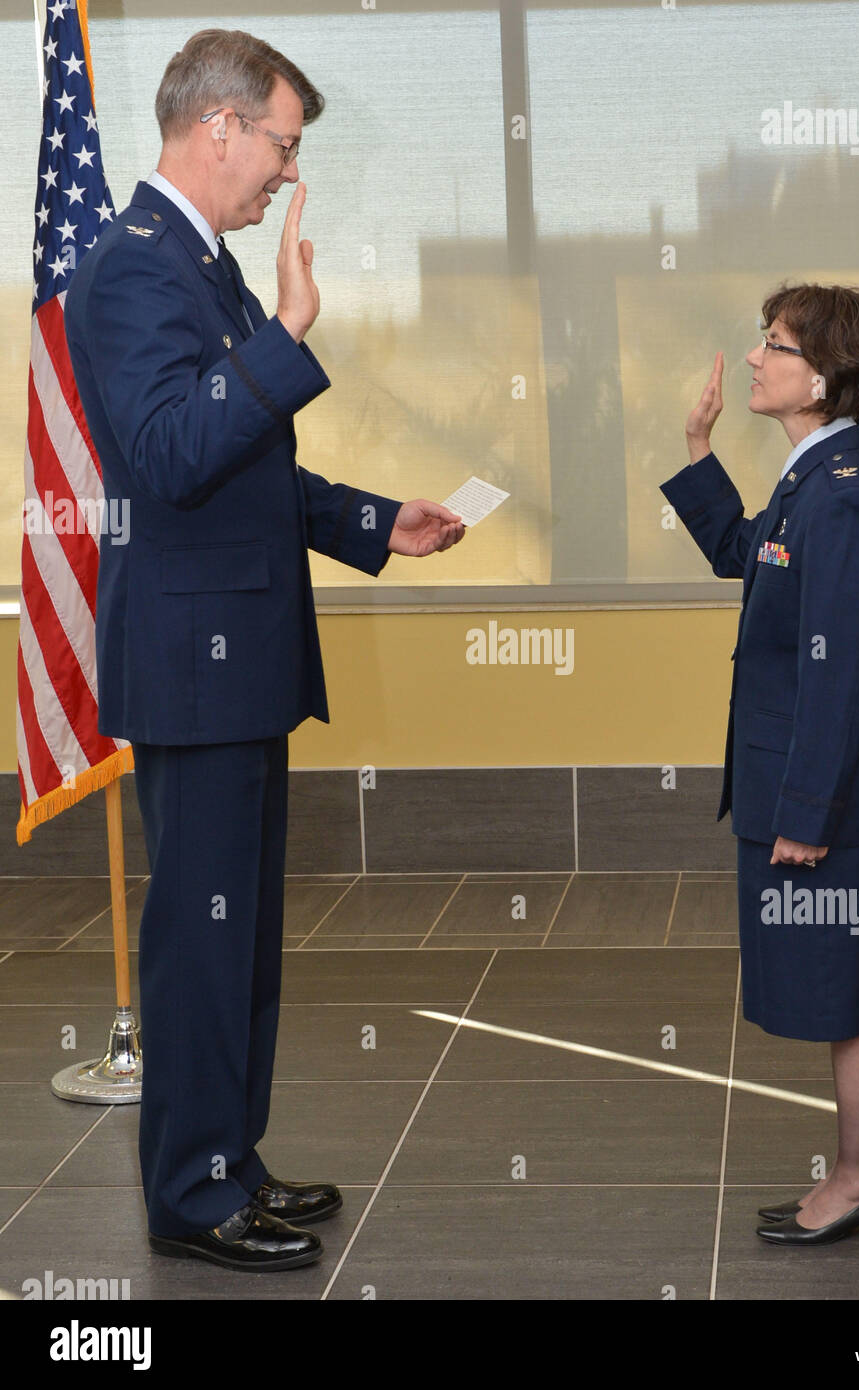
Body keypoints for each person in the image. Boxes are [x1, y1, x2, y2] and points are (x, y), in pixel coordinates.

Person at [64, 29, 465, 1271]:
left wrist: (366, 521)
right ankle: (189, 1194)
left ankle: (229, 1158)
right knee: (199, 935)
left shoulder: (200, 264)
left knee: (237, 933)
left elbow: (248, 469)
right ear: (220, 124)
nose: (287, 173)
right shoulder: (131, 271)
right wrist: (285, 332)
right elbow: (178, 453)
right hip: (196, 664)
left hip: (237, 655)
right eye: (284, 145)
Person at [660, 283, 859, 1247]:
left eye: (773, 345)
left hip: (825, 798)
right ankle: (858, 1172)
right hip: (800, 785)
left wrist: (807, 810)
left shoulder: (845, 496)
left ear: (823, 377)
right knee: (844, 984)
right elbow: (745, 552)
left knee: (855, 989)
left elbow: (841, 672)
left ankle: (857, 1180)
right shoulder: (813, 476)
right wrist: (699, 451)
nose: (756, 359)